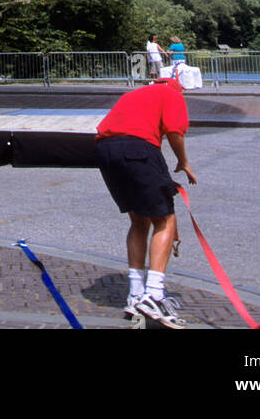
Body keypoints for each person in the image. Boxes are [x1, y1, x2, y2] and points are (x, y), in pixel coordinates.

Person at [95, 68, 197, 329]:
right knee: (165, 220)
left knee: (139, 220)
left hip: (105, 151)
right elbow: (175, 131)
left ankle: (135, 294)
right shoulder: (172, 94)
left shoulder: (136, 93)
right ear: (180, 88)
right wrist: (183, 162)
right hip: (139, 148)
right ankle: (154, 294)